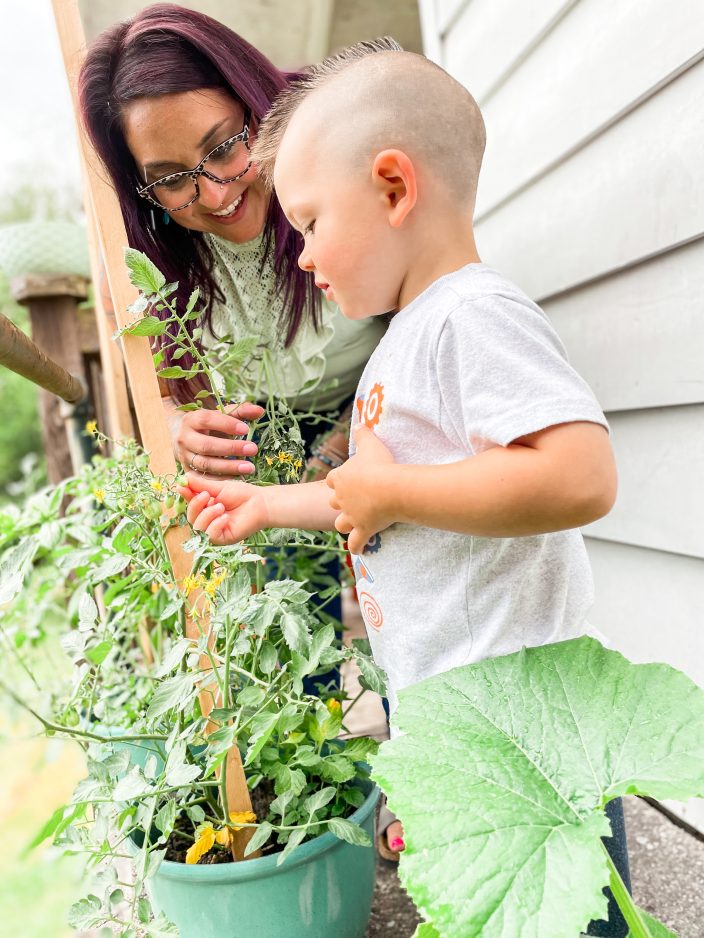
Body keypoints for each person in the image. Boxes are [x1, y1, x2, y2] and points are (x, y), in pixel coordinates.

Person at [178, 39, 630, 935]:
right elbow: (369, 492)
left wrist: (395, 497)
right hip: (464, 719)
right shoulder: (407, 339)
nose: (301, 256)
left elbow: (581, 475)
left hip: (528, 725)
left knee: (570, 914)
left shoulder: (472, 315)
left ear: (393, 188)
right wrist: (267, 507)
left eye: (308, 223)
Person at [78, 3, 386, 479]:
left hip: (384, 407)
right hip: (263, 437)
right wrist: (172, 421)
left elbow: (423, 319)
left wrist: (342, 446)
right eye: (174, 178)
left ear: (255, 101)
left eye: (223, 147)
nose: (217, 195)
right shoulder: (136, 261)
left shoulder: (340, 148)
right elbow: (155, 393)